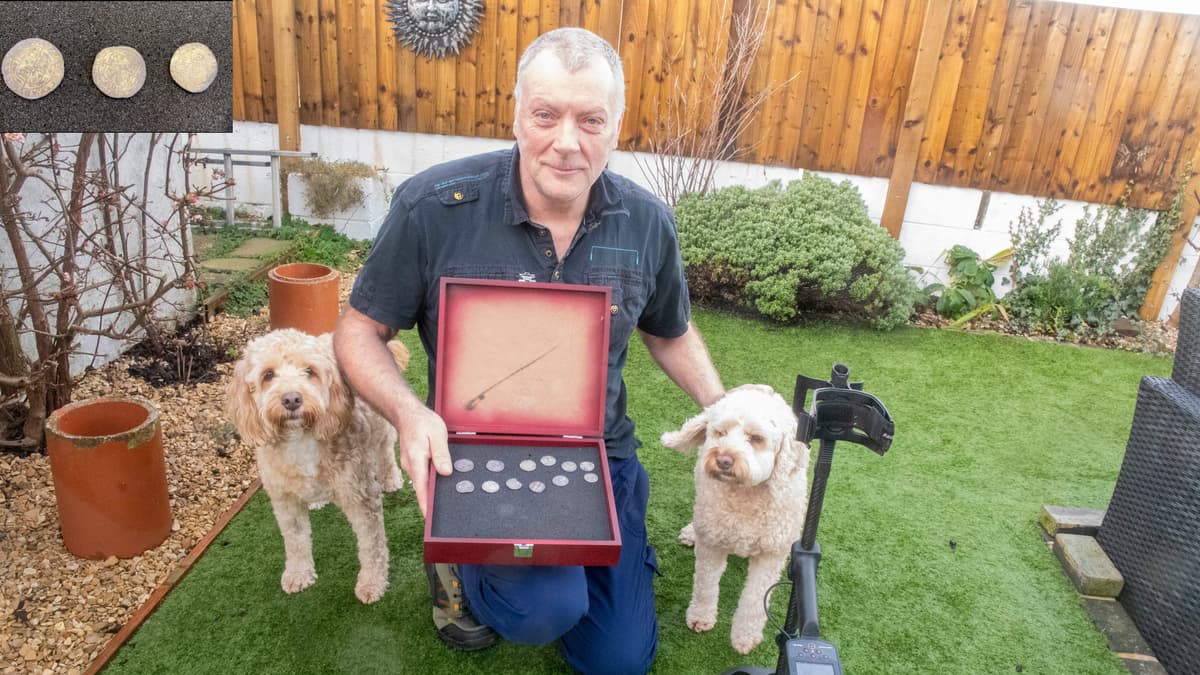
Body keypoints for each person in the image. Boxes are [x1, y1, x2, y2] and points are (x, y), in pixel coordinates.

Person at [333, 26, 725, 674]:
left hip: (601, 454)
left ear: (616, 125)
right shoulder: (434, 207)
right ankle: (458, 559)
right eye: (546, 114)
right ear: (516, 112)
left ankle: (592, 558)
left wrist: (722, 406)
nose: (567, 141)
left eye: (590, 119)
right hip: (474, 454)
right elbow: (358, 331)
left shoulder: (648, 221)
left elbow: (669, 330)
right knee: (544, 609)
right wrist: (410, 414)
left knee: (619, 659)